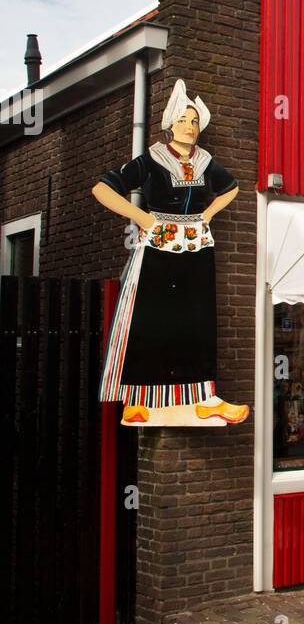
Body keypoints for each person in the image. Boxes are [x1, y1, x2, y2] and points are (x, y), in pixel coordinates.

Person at [93, 79, 248, 426]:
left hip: (196, 242)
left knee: (198, 319)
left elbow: (232, 188)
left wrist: (207, 215)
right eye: (183, 121)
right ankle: (137, 399)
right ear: (169, 124)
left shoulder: (206, 162)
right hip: (160, 242)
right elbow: (102, 188)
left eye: (194, 122)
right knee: (152, 318)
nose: (189, 127)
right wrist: (142, 217)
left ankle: (204, 397)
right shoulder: (151, 159)